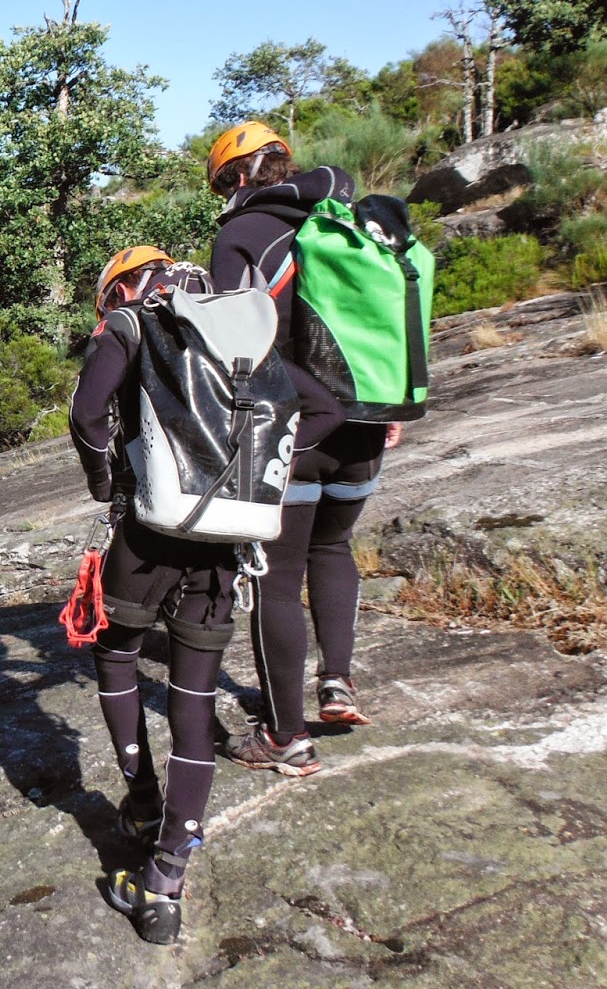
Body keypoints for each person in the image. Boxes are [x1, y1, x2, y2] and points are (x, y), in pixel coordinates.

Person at [203, 121, 390, 777]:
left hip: (294, 427)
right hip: (368, 420)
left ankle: (285, 737)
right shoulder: (348, 220)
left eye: (222, 182)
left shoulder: (240, 235)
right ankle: (336, 682)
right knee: (334, 547)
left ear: (234, 180)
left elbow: (231, 345)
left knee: (276, 579)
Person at [68, 245, 242, 945]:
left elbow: (88, 417)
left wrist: (106, 484)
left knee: (116, 654)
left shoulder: (128, 326)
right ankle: (166, 879)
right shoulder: (231, 319)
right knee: (194, 699)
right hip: (226, 529)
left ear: (118, 290)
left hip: (149, 529)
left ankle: (141, 803)